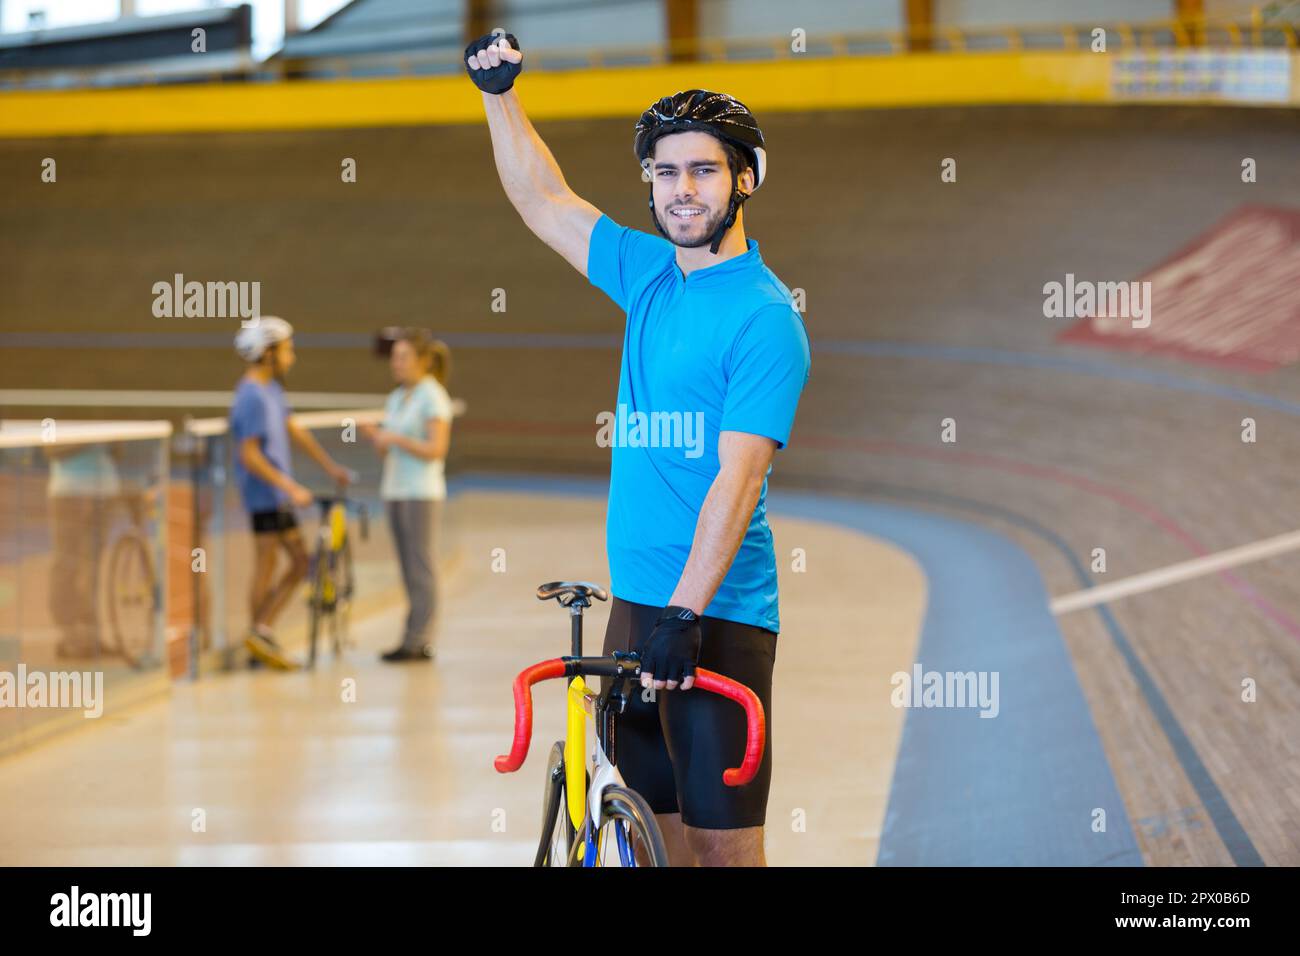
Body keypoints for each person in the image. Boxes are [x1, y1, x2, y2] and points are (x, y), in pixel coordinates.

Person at [467, 35, 810, 866]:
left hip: (715, 622)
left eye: (702, 170)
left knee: (724, 854)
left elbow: (739, 478)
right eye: (665, 173)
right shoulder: (649, 273)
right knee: (659, 842)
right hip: (637, 611)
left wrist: (687, 614)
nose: (681, 189)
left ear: (744, 180)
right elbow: (543, 200)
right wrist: (499, 94)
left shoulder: (764, 318)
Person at [230, 316, 353, 670]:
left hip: (277, 494)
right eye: (287, 349)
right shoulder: (252, 395)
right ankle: (258, 636)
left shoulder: (271, 389)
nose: (292, 356)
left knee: (298, 562)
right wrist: (289, 486)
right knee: (268, 564)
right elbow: (248, 453)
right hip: (264, 495)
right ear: (268, 353)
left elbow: (292, 428)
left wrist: (329, 465)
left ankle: (260, 631)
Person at [360, 329, 454, 663]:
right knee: (406, 566)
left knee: (421, 565)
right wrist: (379, 439)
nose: (396, 364)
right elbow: (390, 450)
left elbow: (436, 448)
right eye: (395, 358)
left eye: (403, 358)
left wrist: (394, 439)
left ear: (422, 361)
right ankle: (410, 634)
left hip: (421, 493)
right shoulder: (398, 397)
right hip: (395, 489)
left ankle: (420, 638)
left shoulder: (433, 396)